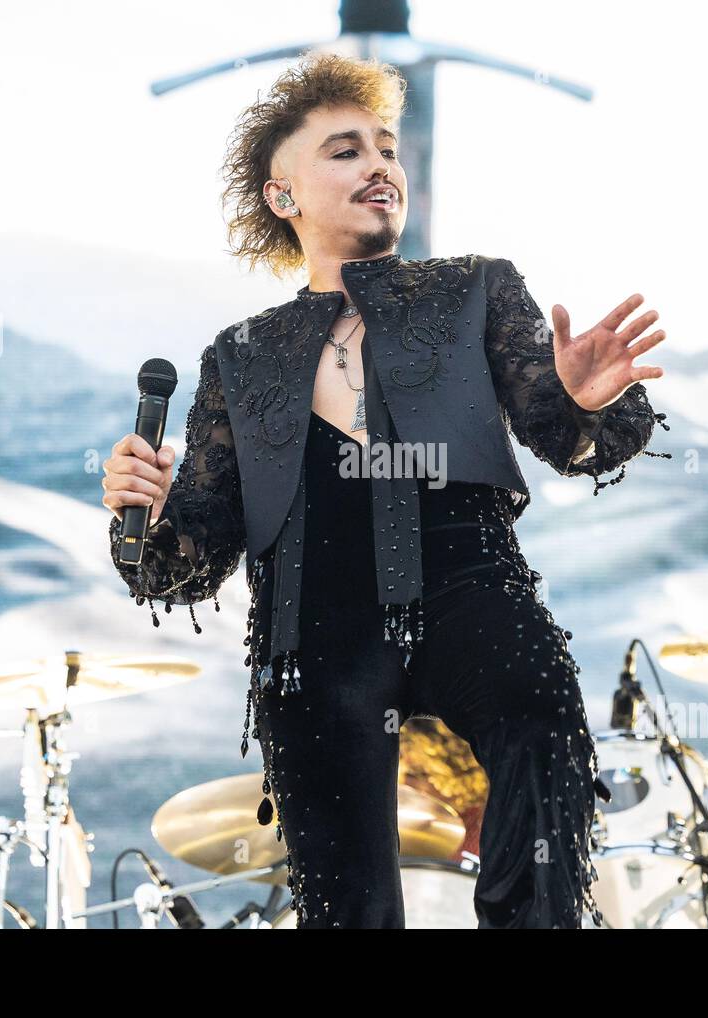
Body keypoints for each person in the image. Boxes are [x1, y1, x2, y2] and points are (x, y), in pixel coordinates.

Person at [102, 53, 670, 928]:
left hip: (471, 586)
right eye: (344, 150)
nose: (379, 166)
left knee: (541, 716)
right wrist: (141, 511)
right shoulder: (239, 355)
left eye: (388, 149)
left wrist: (591, 400)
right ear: (282, 195)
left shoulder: (474, 288)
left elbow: (571, 441)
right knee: (348, 910)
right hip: (310, 639)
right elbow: (178, 567)